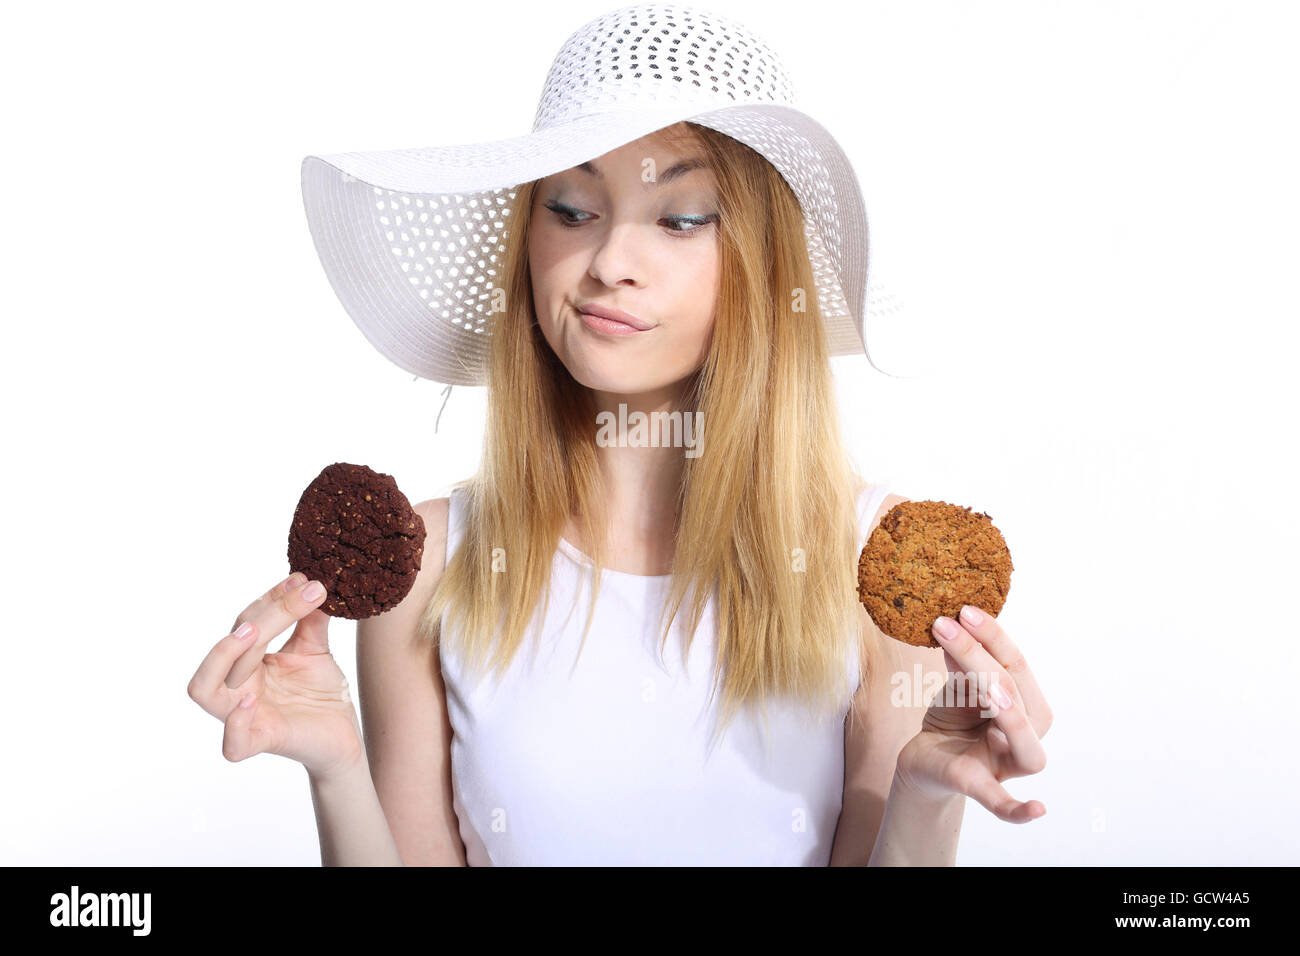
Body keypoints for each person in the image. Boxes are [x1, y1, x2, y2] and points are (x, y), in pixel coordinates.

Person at [187, 3, 1052, 866]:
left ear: (762, 264)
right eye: (570, 208)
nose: (608, 263)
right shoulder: (434, 571)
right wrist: (338, 771)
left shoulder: (868, 570)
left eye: (679, 218)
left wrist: (929, 793)